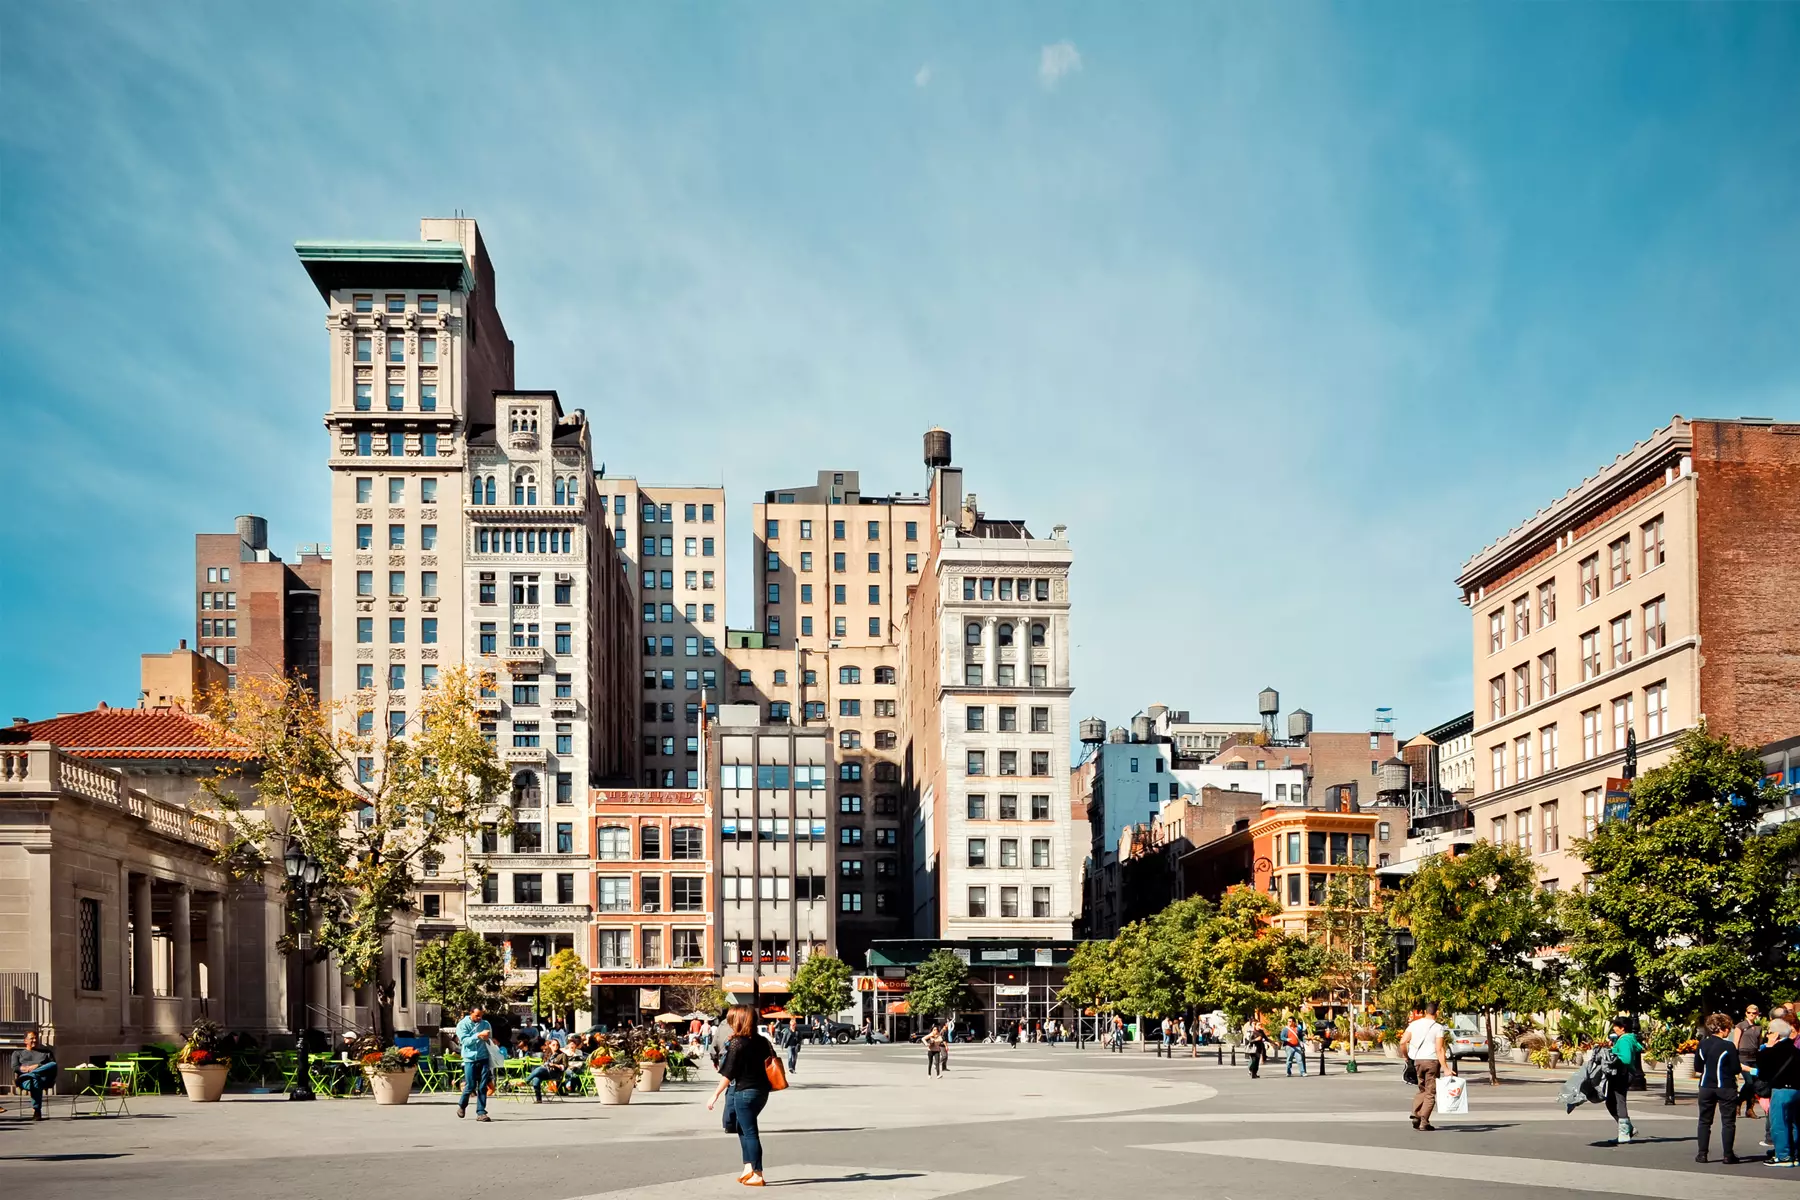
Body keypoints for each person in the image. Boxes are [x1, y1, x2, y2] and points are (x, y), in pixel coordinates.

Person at [707, 1005, 777, 1187]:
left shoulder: (738, 1042)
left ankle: (758, 1173)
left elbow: (728, 1073)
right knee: (742, 1127)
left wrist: (714, 1095)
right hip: (761, 1092)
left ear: (739, 1021)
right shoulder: (762, 1041)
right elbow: (772, 1060)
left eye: (731, 1019)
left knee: (750, 1131)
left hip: (744, 1092)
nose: (729, 1023)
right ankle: (748, 1167)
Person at [1695, 1012, 1744, 1164]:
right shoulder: (1728, 1046)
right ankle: (1728, 1155)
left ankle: (1702, 1154)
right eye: (1728, 1028)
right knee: (1728, 1122)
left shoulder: (1702, 1044)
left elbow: (1697, 1066)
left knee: (1704, 1121)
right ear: (1722, 1029)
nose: (1729, 1031)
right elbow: (1736, 1068)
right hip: (1725, 1086)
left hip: (1706, 1086)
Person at [1400, 1002, 1451, 1131]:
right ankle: (1424, 1121)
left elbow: (1402, 1042)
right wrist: (1445, 1068)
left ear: (1425, 1011)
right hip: (1432, 1061)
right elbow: (1439, 1049)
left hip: (1418, 1061)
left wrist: (1406, 1056)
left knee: (1422, 1088)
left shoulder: (1414, 1024)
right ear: (1437, 1012)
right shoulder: (1438, 1027)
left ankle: (1416, 1113)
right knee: (1430, 1092)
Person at [1758, 1021, 1799, 1166]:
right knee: (1794, 1123)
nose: (1767, 1035)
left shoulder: (1773, 1051)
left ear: (1776, 1034)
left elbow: (1762, 1071)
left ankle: (1783, 1156)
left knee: (1779, 1123)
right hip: (1797, 1090)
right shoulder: (1795, 1050)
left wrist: (1768, 1046)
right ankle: (1795, 1154)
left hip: (1781, 1090)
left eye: (1769, 1032)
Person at [1605, 1017, 1642, 1144]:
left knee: (1619, 1101)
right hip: (1621, 1074)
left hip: (1622, 1074)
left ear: (1623, 1028)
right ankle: (1628, 1129)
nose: (1614, 1028)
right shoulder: (1624, 1039)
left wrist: (1612, 1057)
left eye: (1616, 1026)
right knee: (1610, 1101)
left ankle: (1624, 1132)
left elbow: (1625, 1058)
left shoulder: (1625, 1040)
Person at [456, 1003, 495, 1122]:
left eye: (481, 1016)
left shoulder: (485, 1024)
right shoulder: (463, 1024)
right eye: (477, 1016)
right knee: (470, 1085)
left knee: (483, 1086)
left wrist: (487, 1039)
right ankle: (462, 1105)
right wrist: (478, 1035)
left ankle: (481, 1112)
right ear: (471, 1013)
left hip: (483, 1058)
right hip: (470, 1059)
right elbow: (465, 1041)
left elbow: (490, 1039)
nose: (479, 1018)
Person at [11, 1030, 57, 1121]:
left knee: (53, 1064)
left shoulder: (46, 1053)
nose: (35, 1040)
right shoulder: (17, 1053)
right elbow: (15, 1067)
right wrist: (25, 1069)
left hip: (43, 1079)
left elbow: (52, 1067)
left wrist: (36, 1066)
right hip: (25, 1081)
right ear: (25, 1041)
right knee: (35, 1081)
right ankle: (37, 1111)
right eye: (32, 1038)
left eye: (36, 1038)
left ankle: (32, 1075)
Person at [1738, 1006, 1765, 1118]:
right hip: (1743, 1057)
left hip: (1754, 1057)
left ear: (1757, 1014)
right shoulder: (1741, 1026)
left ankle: (1749, 1108)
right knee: (1749, 1081)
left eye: (1754, 1013)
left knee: (1755, 1083)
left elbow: (1759, 1044)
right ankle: (1738, 1101)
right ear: (1746, 1013)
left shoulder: (1759, 1027)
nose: (1751, 1015)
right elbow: (1736, 1042)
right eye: (1749, 1013)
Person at [527, 1038, 567, 1103]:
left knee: (540, 1069)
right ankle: (538, 1099)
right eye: (553, 1045)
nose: (555, 1046)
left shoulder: (562, 1055)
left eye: (557, 1045)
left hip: (556, 1073)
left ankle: (526, 1081)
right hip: (546, 1072)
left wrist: (554, 1065)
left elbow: (564, 1067)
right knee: (536, 1078)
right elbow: (544, 1063)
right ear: (550, 1045)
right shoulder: (547, 1054)